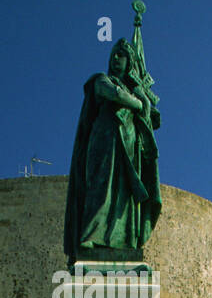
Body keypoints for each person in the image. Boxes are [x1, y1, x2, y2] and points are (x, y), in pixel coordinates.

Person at [63, 38, 162, 263]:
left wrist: (141, 95)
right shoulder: (100, 80)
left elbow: (151, 119)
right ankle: (90, 236)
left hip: (128, 145)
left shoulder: (134, 89)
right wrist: (138, 101)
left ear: (130, 62)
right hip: (104, 141)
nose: (116, 58)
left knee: (123, 196)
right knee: (100, 187)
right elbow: (115, 94)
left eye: (122, 55)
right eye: (114, 54)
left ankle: (124, 241)